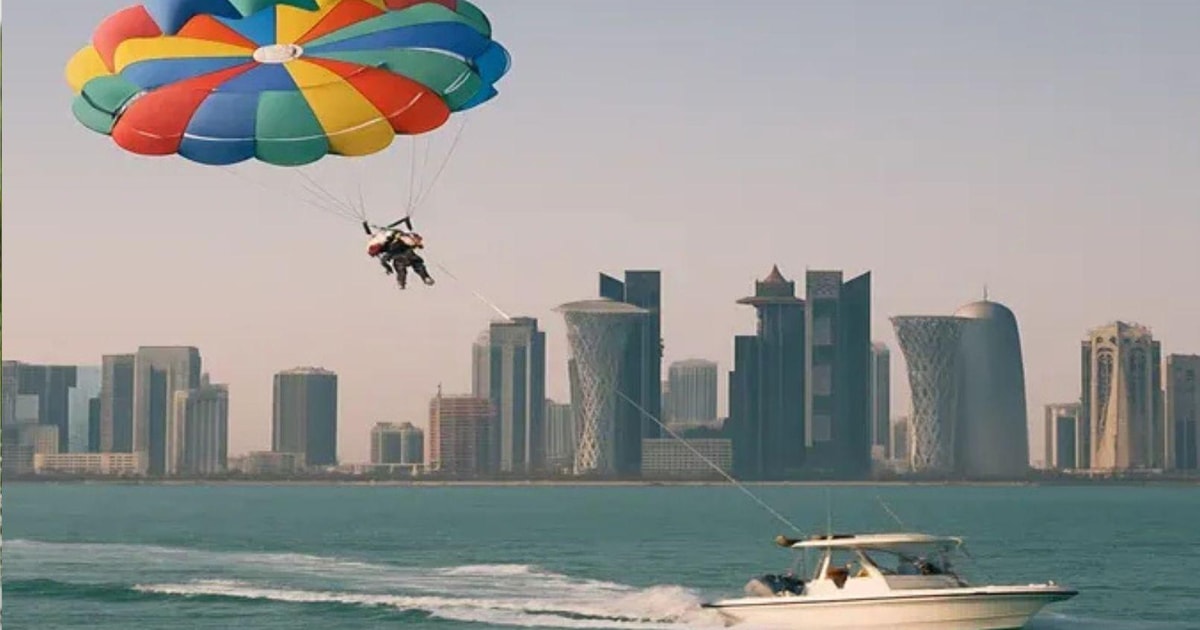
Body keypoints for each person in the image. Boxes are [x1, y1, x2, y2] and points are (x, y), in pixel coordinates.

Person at [363, 218, 435, 290]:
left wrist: (388, 268)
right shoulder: (401, 241)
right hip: (410, 256)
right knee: (418, 265)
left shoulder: (389, 249)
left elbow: (383, 260)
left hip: (400, 260)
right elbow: (415, 243)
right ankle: (425, 277)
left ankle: (401, 283)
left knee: (401, 271)